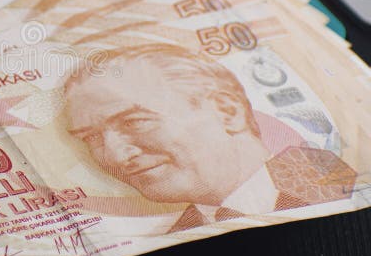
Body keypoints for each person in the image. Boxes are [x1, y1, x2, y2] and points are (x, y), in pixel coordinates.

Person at [64, 43, 355, 232]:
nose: (114, 156)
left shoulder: (346, 186)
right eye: (91, 137)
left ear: (227, 112)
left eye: (135, 121)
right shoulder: (169, 238)